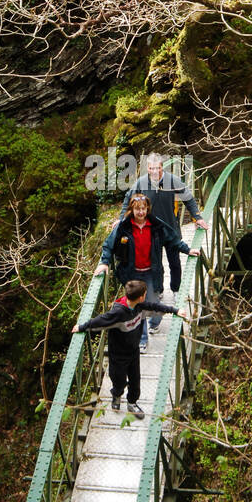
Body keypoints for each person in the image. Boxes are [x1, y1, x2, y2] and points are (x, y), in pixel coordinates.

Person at [72, 278, 189, 418]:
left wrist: (174, 310)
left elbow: (155, 306)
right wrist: (81, 327)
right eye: (145, 294)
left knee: (135, 380)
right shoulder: (118, 313)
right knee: (118, 379)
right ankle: (116, 395)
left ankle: (132, 403)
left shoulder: (140, 307)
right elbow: (99, 321)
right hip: (118, 354)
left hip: (133, 351)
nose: (146, 296)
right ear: (140, 297)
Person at [96, 192, 199, 350]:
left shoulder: (155, 225)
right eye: (137, 209)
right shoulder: (124, 227)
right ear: (132, 209)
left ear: (147, 209)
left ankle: (155, 322)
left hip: (151, 272)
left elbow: (173, 239)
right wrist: (104, 263)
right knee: (139, 306)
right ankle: (142, 340)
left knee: (154, 303)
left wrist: (188, 250)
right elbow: (108, 245)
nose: (141, 212)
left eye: (143, 209)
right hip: (132, 274)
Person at [118, 153, 209, 296]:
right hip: (151, 231)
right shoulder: (141, 183)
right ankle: (158, 290)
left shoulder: (172, 180)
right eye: (152, 168)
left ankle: (176, 289)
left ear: (162, 167)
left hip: (171, 228)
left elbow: (188, 198)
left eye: (158, 168)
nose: (155, 171)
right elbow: (128, 200)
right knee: (156, 265)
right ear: (147, 168)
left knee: (175, 263)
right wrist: (121, 220)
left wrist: (197, 217)